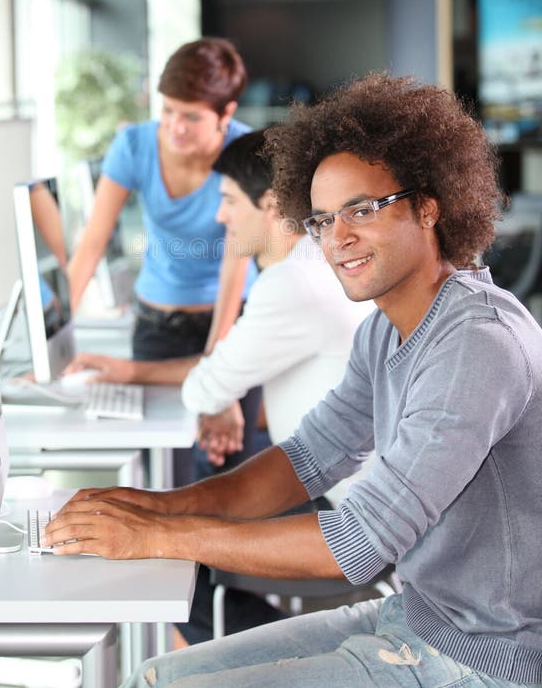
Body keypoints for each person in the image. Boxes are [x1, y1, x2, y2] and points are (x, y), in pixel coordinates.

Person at [43, 72, 542, 688]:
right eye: (323, 220)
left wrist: (160, 534)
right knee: (156, 676)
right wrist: (157, 506)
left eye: (362, 210)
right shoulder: (386, 329)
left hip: (481, 657)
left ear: (429, 206)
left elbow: (361, 541)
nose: (339, 238)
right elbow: (307, 459)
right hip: (414, 617)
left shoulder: (476, 342)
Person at [66, 128, 373, 644]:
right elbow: (220, 375)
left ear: (271, 206)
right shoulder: (310, 268)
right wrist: (143, 374)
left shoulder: (293, 283)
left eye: (229, 201)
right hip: (330, 476)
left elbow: (204, 387)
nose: (220, 217)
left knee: (166, 557)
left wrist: (218, 396)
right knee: (181, 504)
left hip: (341, 505)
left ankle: (305, 656)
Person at [67, 37, 254, 483]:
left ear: (225, 114)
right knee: (163, 478)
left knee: (230, 473)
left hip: (230, 326)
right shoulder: (134, 146)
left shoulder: (247, 153)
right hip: (156, 327)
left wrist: (217, 372)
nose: (174, 127)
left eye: (191, 115)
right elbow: (92, 243)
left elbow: (236, 262)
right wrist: (50, 335)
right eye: (167, 110)